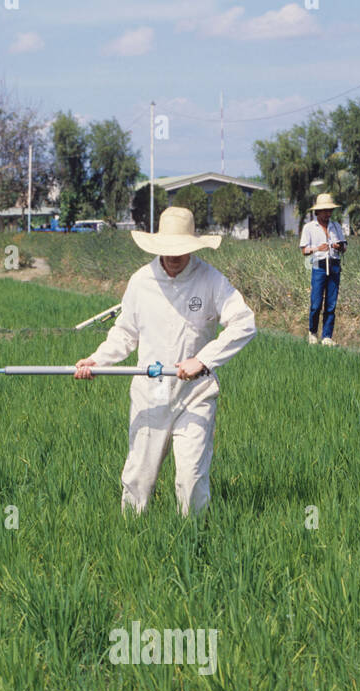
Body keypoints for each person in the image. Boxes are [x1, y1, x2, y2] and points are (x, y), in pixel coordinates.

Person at [74, 205, 256, 516]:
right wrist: (96, 360)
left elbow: (244, 323)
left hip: (195, 393)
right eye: (168, 250)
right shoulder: (141, 281)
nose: (174, 257)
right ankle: (132, 536)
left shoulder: (211, 281)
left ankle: (195, 537)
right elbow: (125, 334)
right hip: (152, 391)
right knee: (139, 476)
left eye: (181, 250)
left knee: (191, 475)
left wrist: (203, 359)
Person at [298, 193, 346, 345]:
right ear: (317, 212)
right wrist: (317, 248)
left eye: (329, 210)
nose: (328, 213)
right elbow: (304, 250)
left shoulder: (336, 226)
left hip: (334, 265)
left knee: (331, 304)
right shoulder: (309, 228)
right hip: (319, 266)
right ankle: (312, 332)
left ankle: (327, 336)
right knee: (316, 303)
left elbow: (344, 246)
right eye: (324, 210)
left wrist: (339, 246)